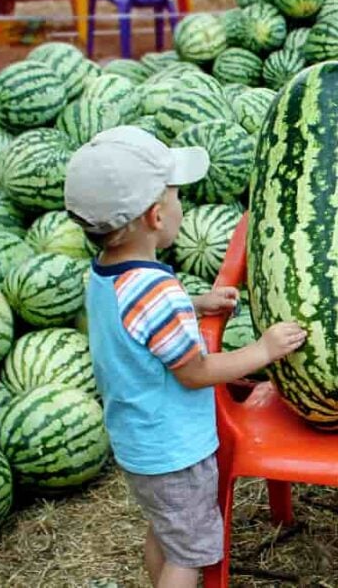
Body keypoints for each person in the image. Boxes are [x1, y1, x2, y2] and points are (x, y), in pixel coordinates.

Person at [64, 126, 306, 588]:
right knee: (192, 552)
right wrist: (264, 349)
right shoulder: (156, 292)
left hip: (138, 445)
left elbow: (134, 324)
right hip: (175, 451)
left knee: (167, 533)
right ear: (157, 216)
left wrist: (192, 304)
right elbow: (196, 373)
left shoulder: (105, 277)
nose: (181, 206)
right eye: (177, 197)